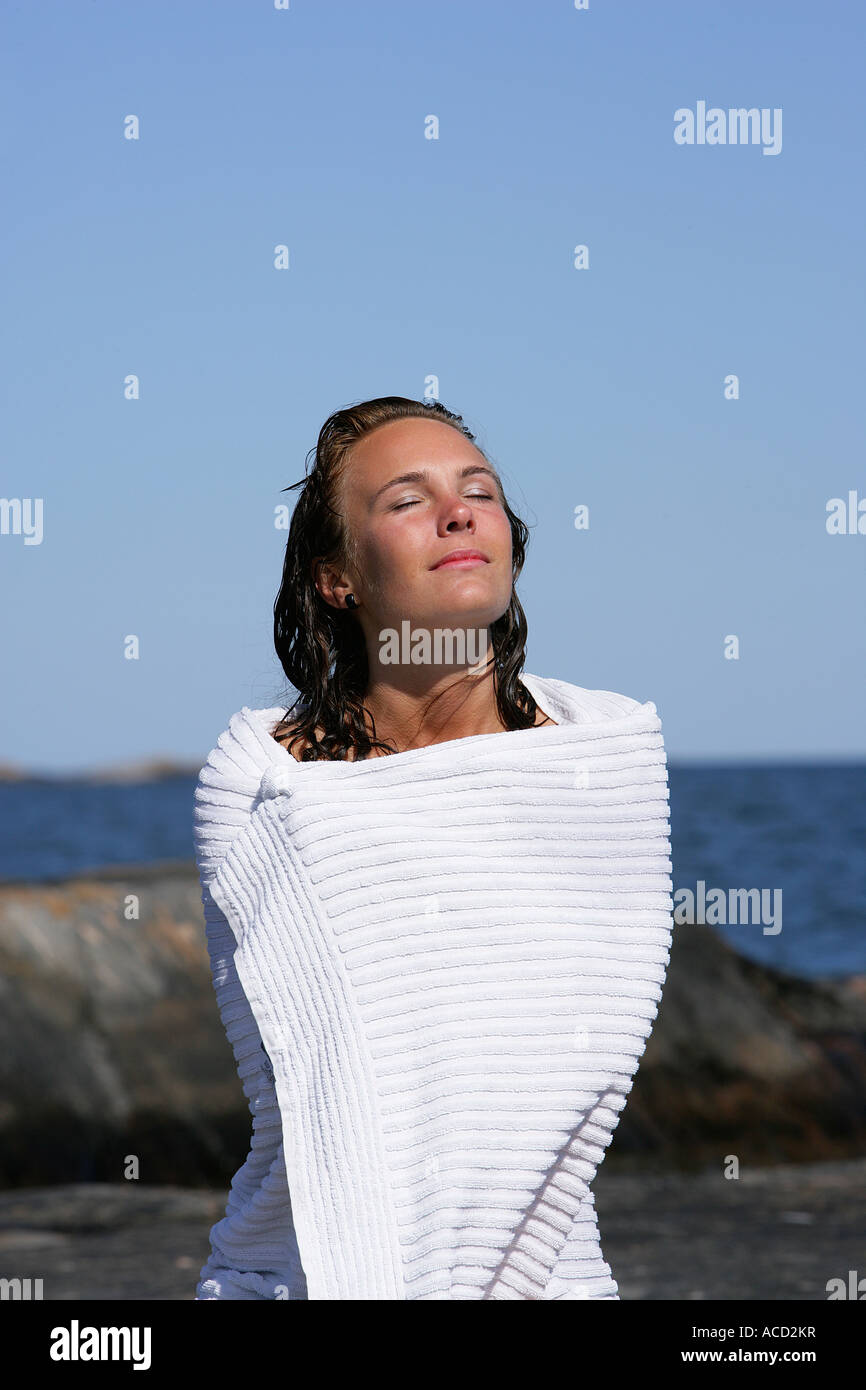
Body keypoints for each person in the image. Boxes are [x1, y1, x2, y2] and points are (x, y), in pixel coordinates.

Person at [193, 395, 673, 1300]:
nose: (459, 512)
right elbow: (325, 1084)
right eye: (407, 500)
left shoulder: (600, 760)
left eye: (479, 492)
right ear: (338, 577)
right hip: (302, 1278)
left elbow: (569, 1079)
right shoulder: (271, 789)